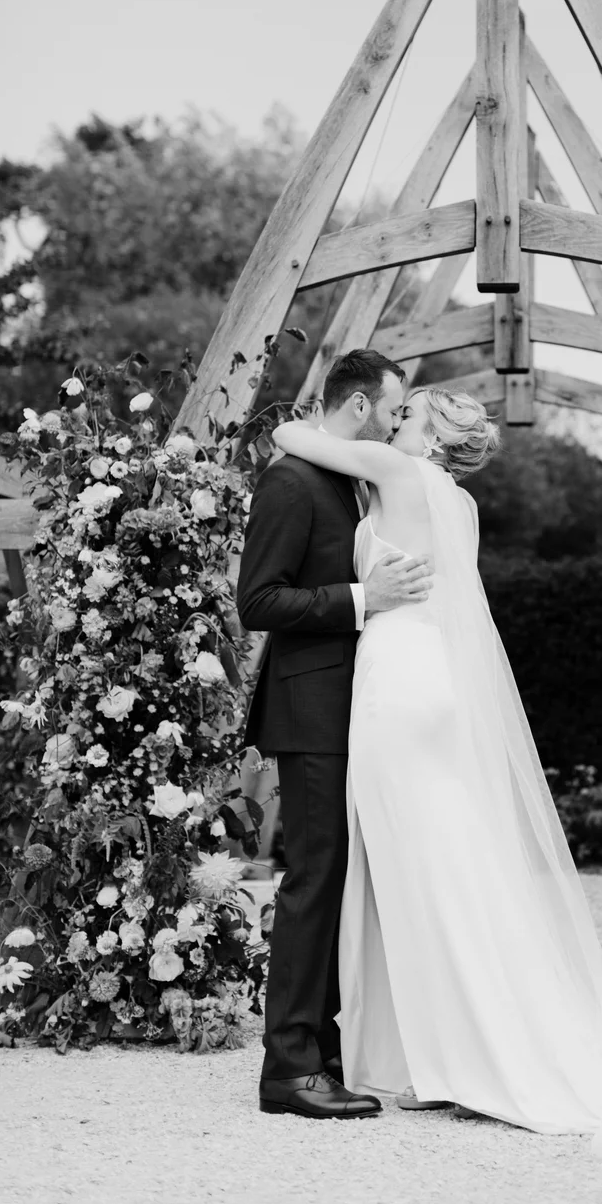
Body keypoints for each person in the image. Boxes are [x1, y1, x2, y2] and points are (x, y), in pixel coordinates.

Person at [270, 385, 602, 1159]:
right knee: (444, 862)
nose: (398, 421)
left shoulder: (397, 473)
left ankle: (457, 1050)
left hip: (394, 681)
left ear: (430, 435)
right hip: (437, 683)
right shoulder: (458, 503)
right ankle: (444, 1049)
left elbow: (292, 433)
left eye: (410, 413)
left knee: (404, 872)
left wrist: (358, 428)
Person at [236, 349, 433, 1121]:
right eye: (392, 409)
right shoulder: (289, 482)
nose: (394, 422)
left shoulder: (352, 479)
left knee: (338, 880)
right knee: (313, 880)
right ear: (358, 408)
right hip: (311, 711)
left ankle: (324, 1051)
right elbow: (259, 600)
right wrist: (362, 597)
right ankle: (287, 1069)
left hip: (356, 712)